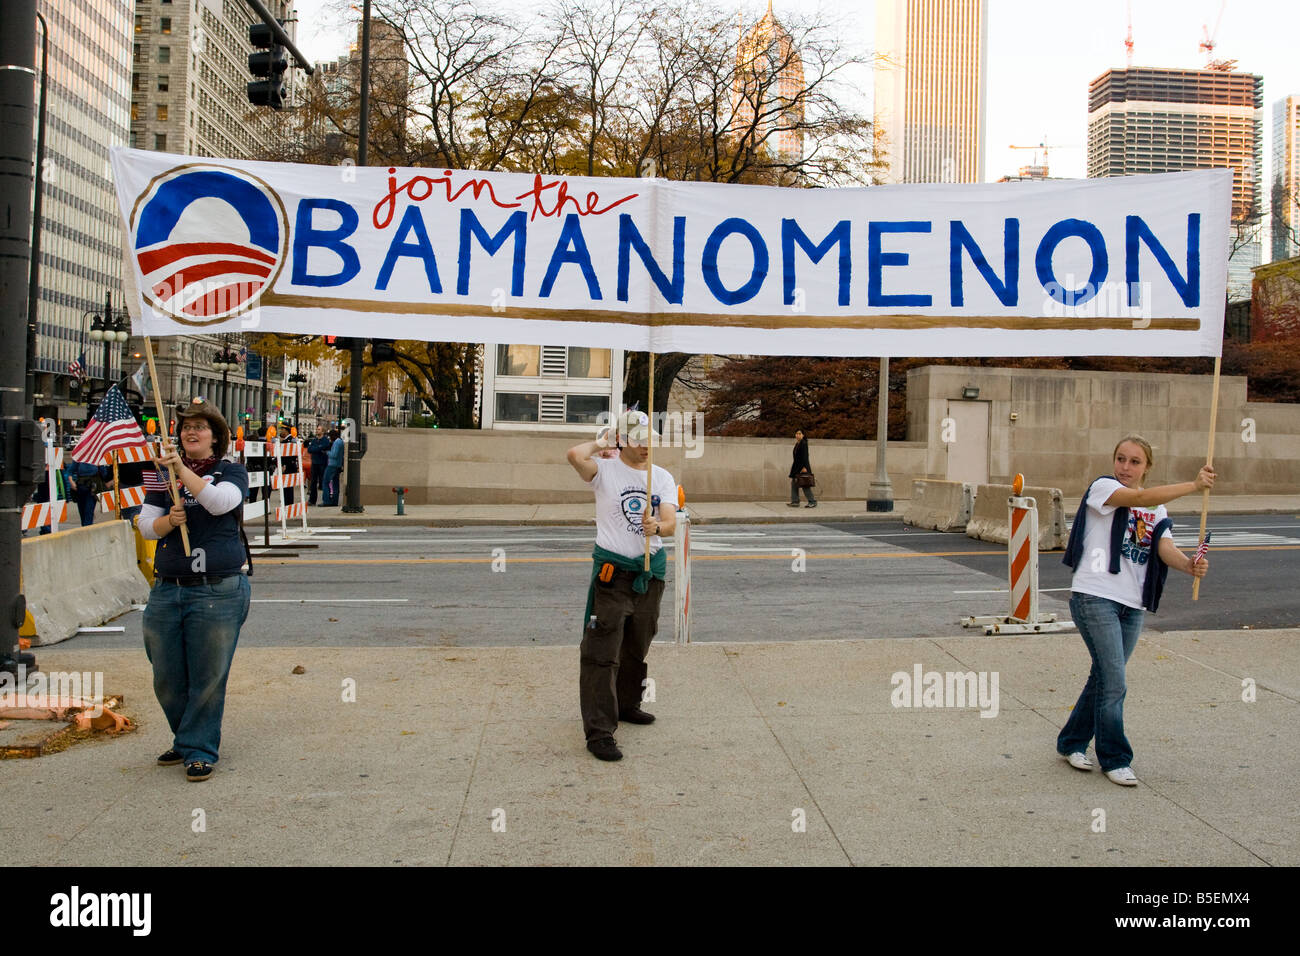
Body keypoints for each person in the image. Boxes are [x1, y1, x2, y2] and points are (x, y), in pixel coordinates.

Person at [1057, 435, 1215, 787]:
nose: (1125, 468)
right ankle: (1114, 758)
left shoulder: (1157, 510)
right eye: (1121, 459)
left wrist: (1189, 565)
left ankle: (1071, 743)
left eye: (1135, 462)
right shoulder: (1103, 489)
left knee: (1103, 677)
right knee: (1115, 680)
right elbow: (1140, 497)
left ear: (1147, 467)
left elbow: (1163, 546)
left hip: (1132, 605)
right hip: (1094, 596)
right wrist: (1193, 484)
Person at [137, 398, 251, 783]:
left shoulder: (231, 471)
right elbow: (145, 525)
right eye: (186, 426)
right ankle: (187, 738)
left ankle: (199, 750)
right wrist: (170, 520)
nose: (190, 431)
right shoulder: (162, 477)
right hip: (168, 588)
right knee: (166, 676)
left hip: (217, 590)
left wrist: (180, 470)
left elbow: (219, 503)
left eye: (200, 426)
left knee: (208, 675)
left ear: (214, 436)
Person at [566, 410, 676, 762]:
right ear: (624, 440)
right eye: (638, 440)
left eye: (649, 441)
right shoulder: (604, 470)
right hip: (612, 577)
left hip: (649, 573)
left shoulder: (660, 477)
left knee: (636, 646)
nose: (646, 447)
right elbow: (574, 456)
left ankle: (628, 704)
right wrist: (604, 441)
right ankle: (600, 732)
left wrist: (656, 527)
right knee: (602, 652)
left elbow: (671, 523)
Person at [788, 428, 816, 508]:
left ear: (803, 435)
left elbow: (805, 456)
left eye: (800, 434)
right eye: (797, 433)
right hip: (796, 467)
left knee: (805, 484)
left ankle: (812, 501)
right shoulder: (798, 443)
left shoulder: (804, 443)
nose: (798, 435)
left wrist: (804, 467)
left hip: (802, 468)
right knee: (794, 484)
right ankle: (795, 501)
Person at [307, 424, 330, 505]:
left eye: (319, 429)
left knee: (323, 482)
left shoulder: (325, 440)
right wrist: (319, 448)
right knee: (313, 482)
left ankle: (326, 500)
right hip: (314, 463)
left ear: (323, 431)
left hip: (322, 463)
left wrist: (317, 448)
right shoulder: (314, 440)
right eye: (317, 429)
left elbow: (325, 446)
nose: (317, 430)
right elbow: (309, 449)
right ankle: (312, 500)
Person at [321, 427, 343, 506]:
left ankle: (326, 501)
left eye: (330, 436)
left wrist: (327, 452)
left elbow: (334, 454)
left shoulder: (337, 442)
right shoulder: (341, 442)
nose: (329, 438)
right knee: (335, 484)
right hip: (338, 465)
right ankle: (334, 501)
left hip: (332, 465)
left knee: (325, 482)